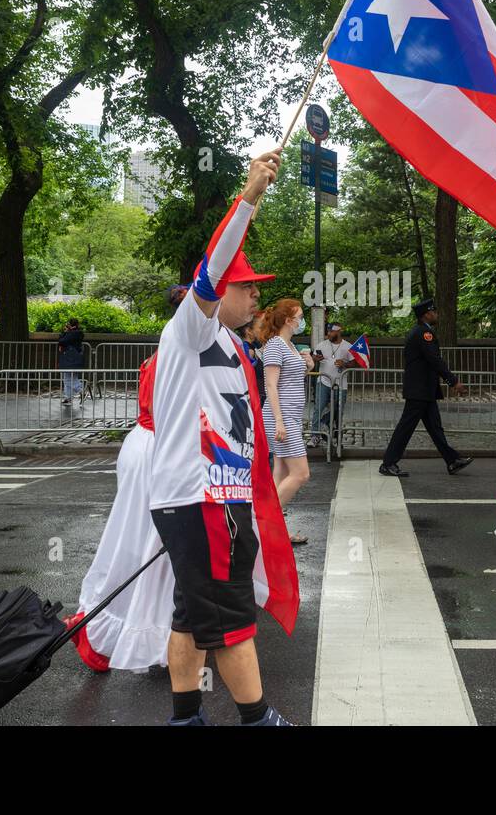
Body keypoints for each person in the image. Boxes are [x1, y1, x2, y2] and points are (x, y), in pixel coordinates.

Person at [149, 148, 298, 726]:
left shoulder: (235, 345)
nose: (256, 295)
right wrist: (249, 199)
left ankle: (186, 717)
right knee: (233, 623)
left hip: (217, 498)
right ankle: (259, 719)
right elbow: (209, 274)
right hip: (202, 498)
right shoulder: (191, 328)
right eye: (249, 286)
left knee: (192, 615)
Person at [67, 356, 177, 672]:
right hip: (159, 452)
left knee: (149, 549)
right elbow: (169, 413)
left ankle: (145, 635)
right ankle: (100, 630)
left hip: (153, 448)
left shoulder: (173, 349)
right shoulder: (177, 351)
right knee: (148, 549)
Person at [378, 299, 472, 478]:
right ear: (426, 314)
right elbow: (434, 359)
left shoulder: (422, 331)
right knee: (406, 427)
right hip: (419, 390)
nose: (436, 314)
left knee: (435, 428)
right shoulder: (423, 333)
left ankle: (452, 460)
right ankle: (388, 463)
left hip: (424, 390)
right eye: (434, 312)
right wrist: (453, 381)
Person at [256, 298, 314, 545]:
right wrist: (279, 420)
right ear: (289, 320)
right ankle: (262, 524)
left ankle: (272, 532)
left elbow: (288, 380)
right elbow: (270, 385)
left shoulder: (289, 346)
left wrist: (307, 366)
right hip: (281, 417)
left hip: (288, 415)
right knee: (301, 474)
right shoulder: (275, 346)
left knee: (280, 474)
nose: (302, 321)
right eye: (300, 316)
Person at [311, 322, 353, 446]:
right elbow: (312, 360)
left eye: (331, 332)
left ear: (339, 331)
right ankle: (315, 435)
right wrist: (315, 359)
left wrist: (344, 364)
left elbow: (354, 363)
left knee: (338, 410)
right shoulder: (322, 345)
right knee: (319, 407)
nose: (328, 334)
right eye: (328, 331)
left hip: (341, 383)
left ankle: (333, 431)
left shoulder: (347, 346)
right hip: (323, 382)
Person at [57, 318, 85, 407]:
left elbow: (62, 341)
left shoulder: (74, 333)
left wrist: (65, 332)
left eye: (67, 324)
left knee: (69, 378)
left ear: (70, 325)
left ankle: (81, 390)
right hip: (72, 358)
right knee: (67, 377)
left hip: (70, 358)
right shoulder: (75, 333)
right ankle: (68, 398)